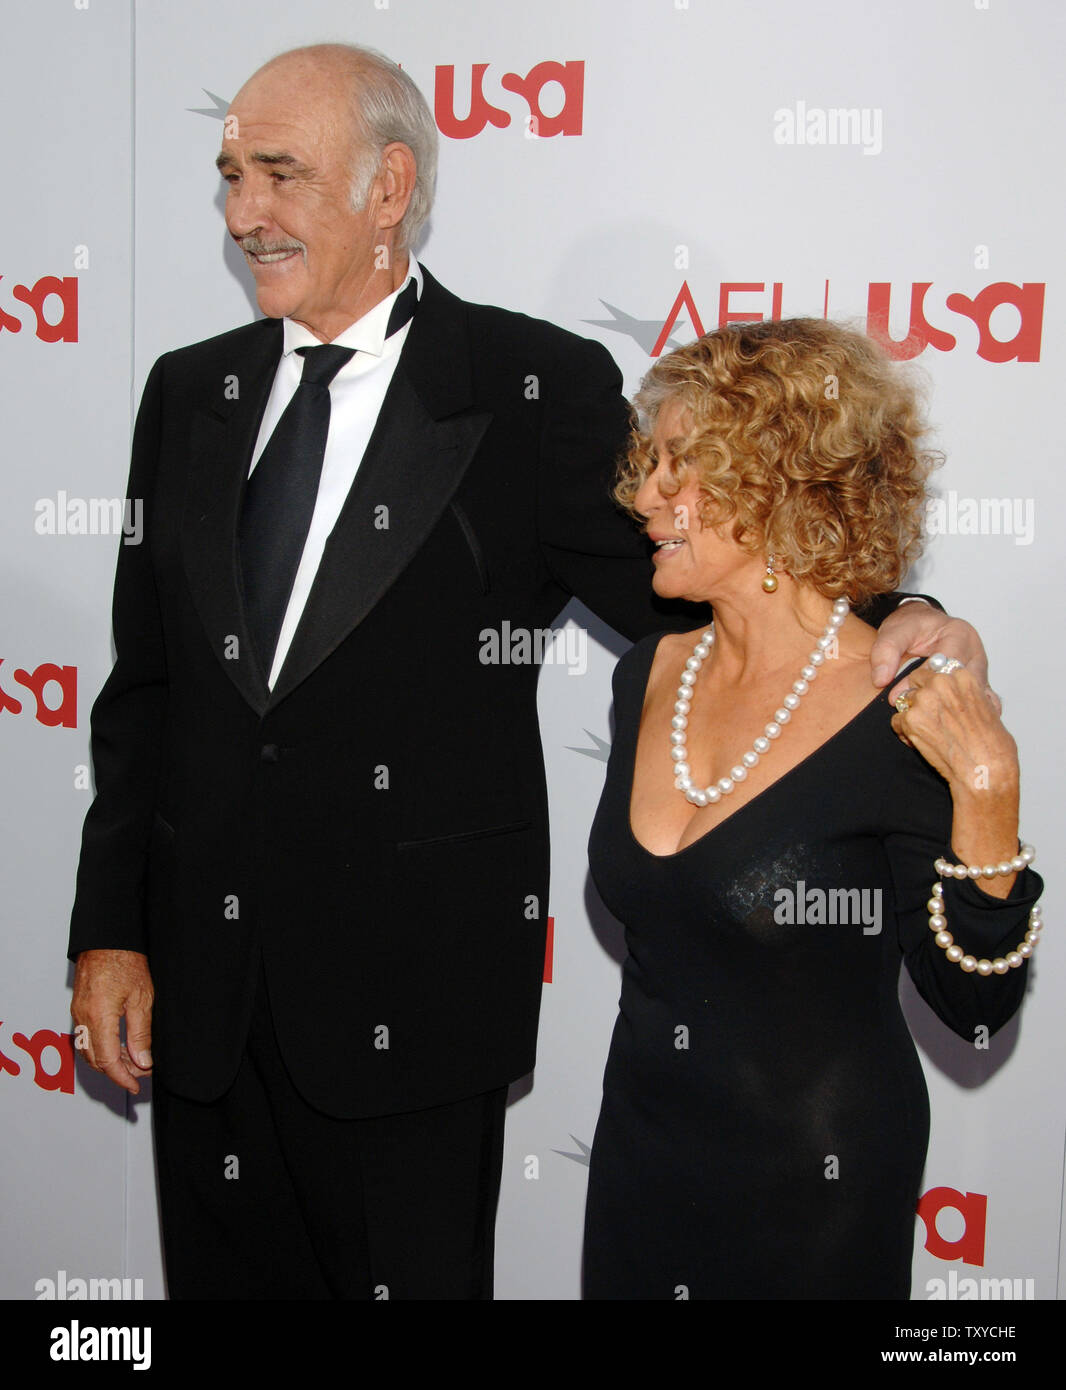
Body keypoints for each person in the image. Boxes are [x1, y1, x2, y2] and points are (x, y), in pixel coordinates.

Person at [67, 44, 989, 1300]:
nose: (241, 213)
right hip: (204, 1000)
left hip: (413, 1011)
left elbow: (720, 565)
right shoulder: (190, 395)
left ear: (390, 188)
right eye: (230, 173)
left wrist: (908, 614)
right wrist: (111, 931)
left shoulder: (527, 384)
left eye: (280, 174)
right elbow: (146, 689)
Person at [582, 318, 1042, 1300]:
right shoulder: (646, 673)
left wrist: (988, 798)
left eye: (678, 467)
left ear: (778, 483)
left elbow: (975, 1003)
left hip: (817, 1198)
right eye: (646, 462)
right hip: (638, 1165)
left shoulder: (898, 702)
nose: (643, 496)